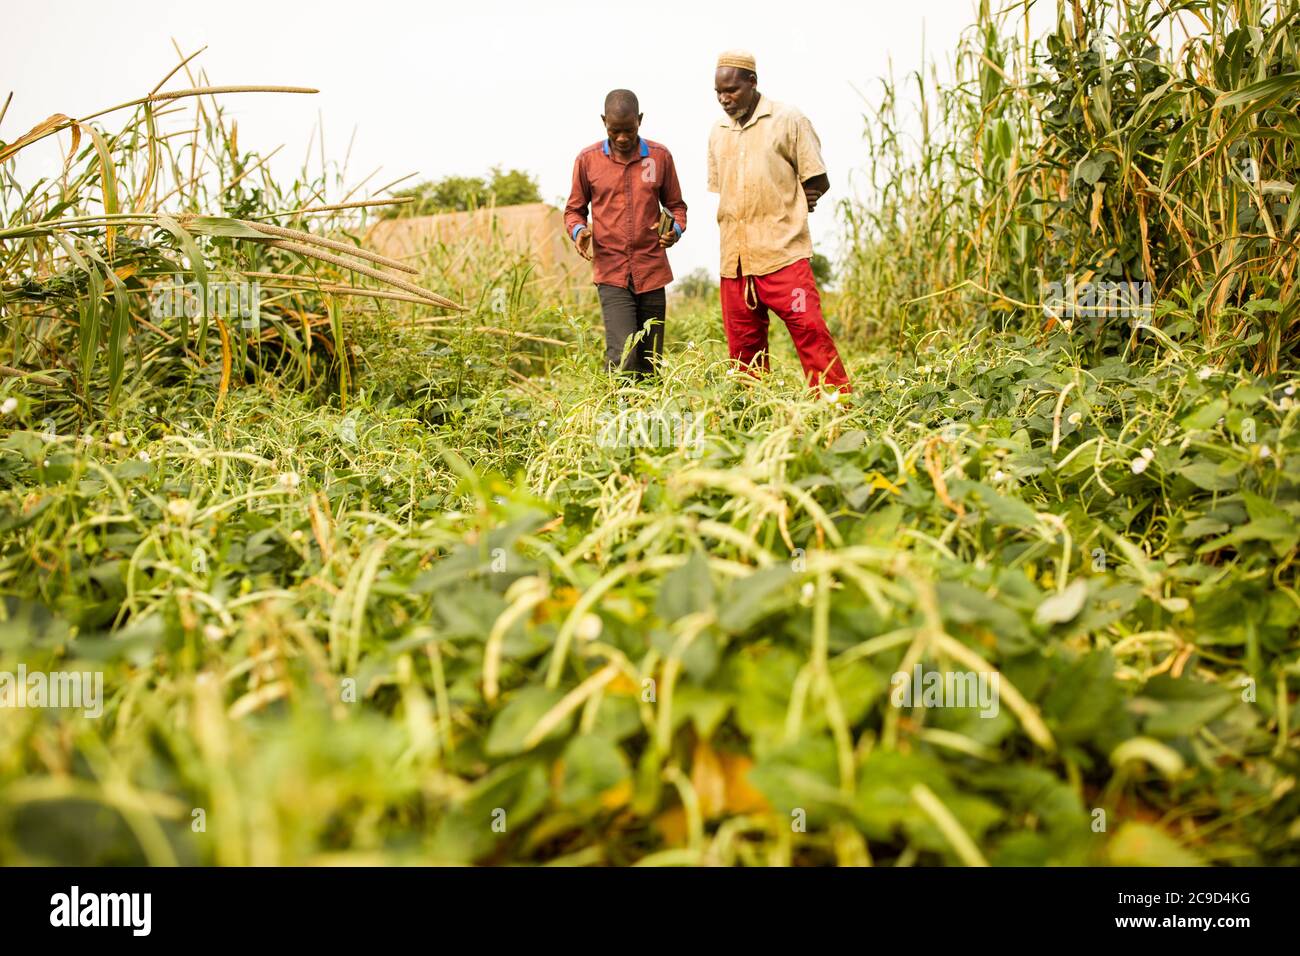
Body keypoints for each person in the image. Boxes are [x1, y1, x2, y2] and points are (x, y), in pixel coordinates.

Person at [708, 50, 851, 395]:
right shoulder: (718, 132)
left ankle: (836, 409)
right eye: (719, 93)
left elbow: (816, 177)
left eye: (732, 90)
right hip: (736, 262)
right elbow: (723, 190)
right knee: (743, 351)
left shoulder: (788, 119)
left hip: (783, 254)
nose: (725, 99)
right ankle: (752, 415)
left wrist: (806, 197)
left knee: (810, 330)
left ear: (752, 82)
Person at [565, 89, 687, 378]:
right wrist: (580, 231)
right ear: (604, 121)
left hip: (652, 269)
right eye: (614, 130)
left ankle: (647, 419)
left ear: (640, 121)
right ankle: (615, 417)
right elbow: (573, 210)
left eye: (628, 130)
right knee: (623, 355)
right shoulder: (587, 160)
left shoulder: (660, 157)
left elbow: (676, 206)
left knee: (650, 361)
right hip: (611, 272)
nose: (621, 138)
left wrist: (676, 230)